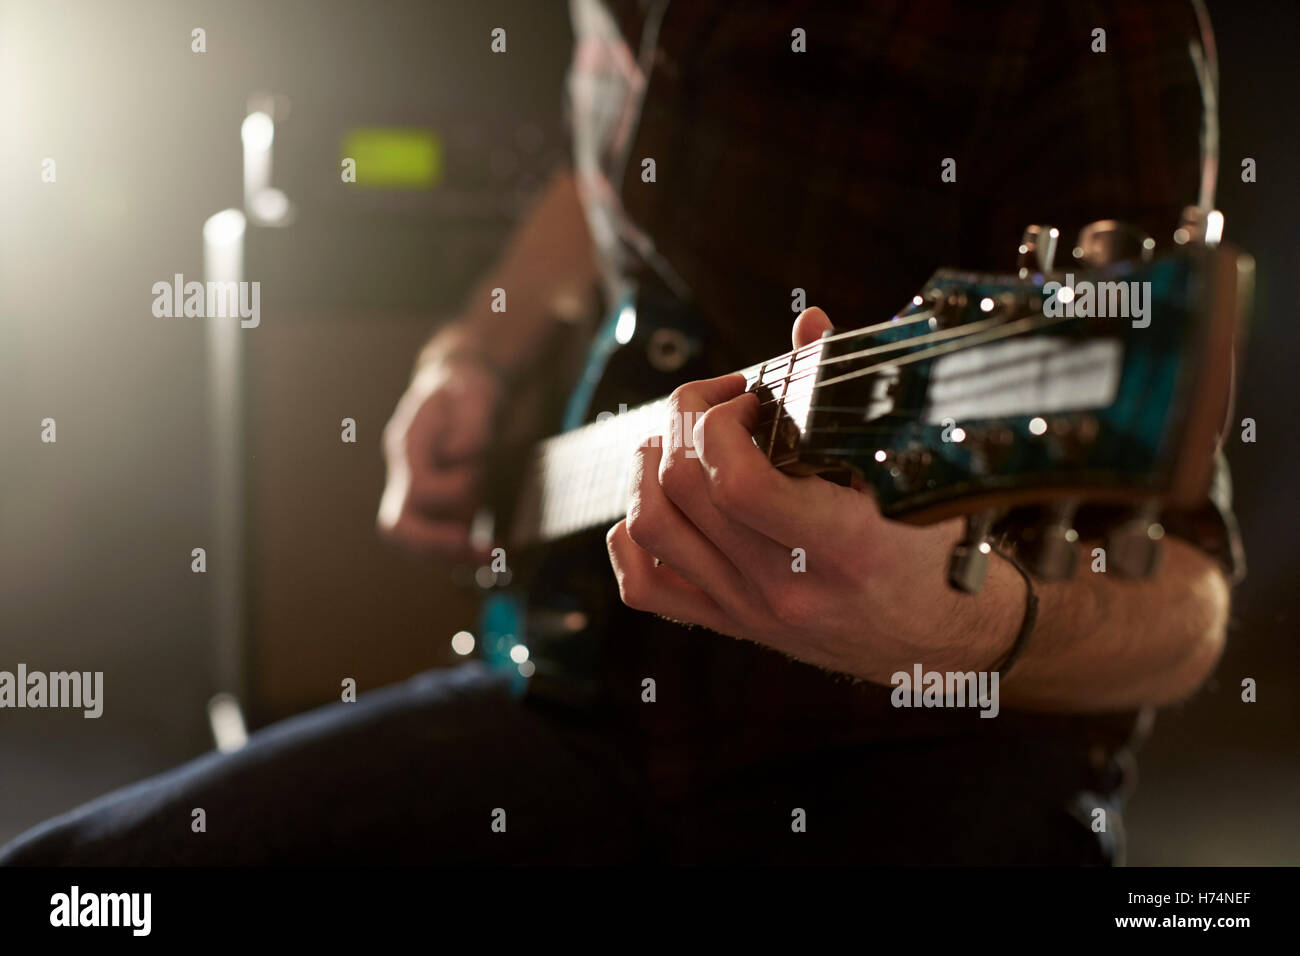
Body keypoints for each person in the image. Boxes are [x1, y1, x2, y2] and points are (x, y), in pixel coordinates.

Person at [1, 0, 1242, 866]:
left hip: (909, 763)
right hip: (588, 689)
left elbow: (1185, 605)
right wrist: (477, 351)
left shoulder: (1092, 21)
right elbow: (609, 178)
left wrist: (956, 628)